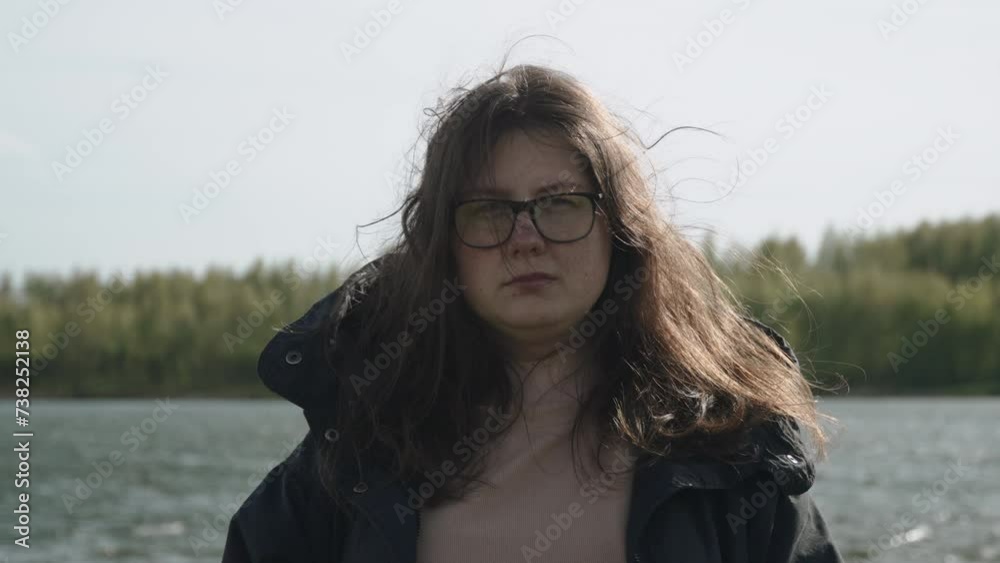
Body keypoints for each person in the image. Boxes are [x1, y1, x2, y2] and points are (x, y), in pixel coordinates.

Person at [222, 61, 844, 562]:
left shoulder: (728, 452)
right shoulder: (356, 450)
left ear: (619, 229)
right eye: (489, 210)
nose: (525, 239)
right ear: (444, 247)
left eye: (560, 203)